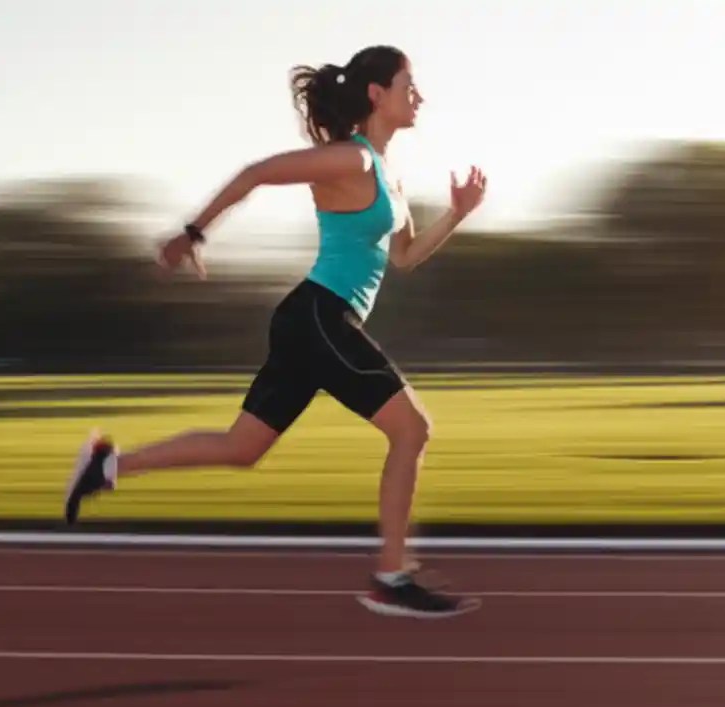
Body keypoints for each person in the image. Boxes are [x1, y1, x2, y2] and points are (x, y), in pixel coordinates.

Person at [62, 45, 486, 619]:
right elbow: (257, 174)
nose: (420, 95)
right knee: (411, 431)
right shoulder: (350, 161)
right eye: (409, 84)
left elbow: (405, 256)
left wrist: (457, 214)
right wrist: (192, 232)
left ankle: (105, 467)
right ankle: (392, 575)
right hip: (320, 315)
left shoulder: (389, 177)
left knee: (242, 448)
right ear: (375, 94)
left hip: (314, 322)